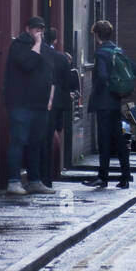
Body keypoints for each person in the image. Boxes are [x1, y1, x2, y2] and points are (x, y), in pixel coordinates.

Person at [2, 16, 56, 195]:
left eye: (41, 29)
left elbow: (50, 75)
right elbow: (28, 64)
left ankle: (35, 180)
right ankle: (13, 181)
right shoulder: (18, 46)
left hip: (40, 105)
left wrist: (49, 99)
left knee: (35, 143)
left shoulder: (46, 50)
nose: (39, 32)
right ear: (27, 29)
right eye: (35, 29)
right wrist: (38, 43)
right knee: (18, 141)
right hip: (21, 104)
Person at [85, 20, 136, 189]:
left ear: (96, 35)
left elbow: (101, 76)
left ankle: (103, 177)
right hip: (115, 102)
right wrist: (117, 87)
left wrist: (99, 91)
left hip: (104, 103)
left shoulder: (101, 53)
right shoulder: (117, 50)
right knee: (119, 139)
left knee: (104, 140)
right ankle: (125, 175)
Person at [44, 28, 79, 187]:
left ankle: (43, 175)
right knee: (54, 135)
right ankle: (53, 172)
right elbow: (67, 83)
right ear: (55, 41)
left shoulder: (38, 54)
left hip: (38, 103)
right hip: (57, 103)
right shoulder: (61, 58)